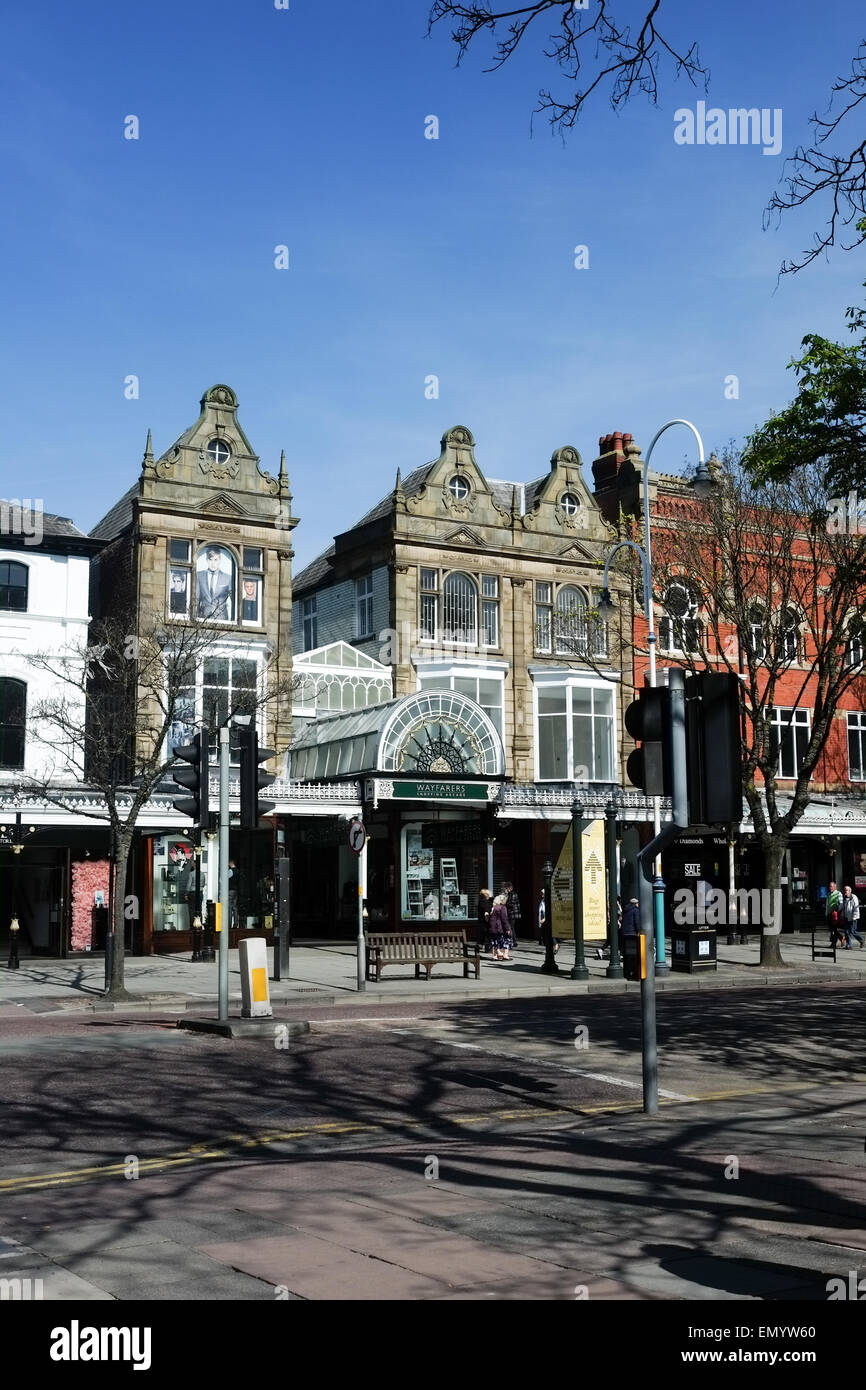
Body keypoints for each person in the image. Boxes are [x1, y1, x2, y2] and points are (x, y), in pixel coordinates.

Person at [197, 547, 233, 621]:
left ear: (220, 560)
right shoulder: (199, 575)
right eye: (210, 560)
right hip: (203, 617)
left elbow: (234, 600)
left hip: (221, 618)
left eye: (216, 560)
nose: (213, 563)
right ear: (207, 560)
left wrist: (233, 621)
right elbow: (196, 598)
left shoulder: (228, 578)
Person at [488, 893, 513, 961]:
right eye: (505, 900)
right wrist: (508, 928)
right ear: (502, 900)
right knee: (507, 939)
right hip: (500, 927)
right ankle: (505, 955)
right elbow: (504, 919)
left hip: (493, 928)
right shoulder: (502, 907)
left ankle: (495, 956)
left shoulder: (493, 907)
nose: (506, 901)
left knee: (495, 941)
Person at [826, 880, 844, 947]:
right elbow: (827, 905)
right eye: (829, 886)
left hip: (835, 915)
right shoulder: (828, 894)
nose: (830, 888)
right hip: (829, 914)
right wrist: (826, 914)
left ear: (835, 887)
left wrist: (837, 911)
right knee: (832, 930)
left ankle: (839, 939)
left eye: (831, 886)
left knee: (833, 929)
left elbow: (841, 904)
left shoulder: (838, 893)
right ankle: (837, 940)